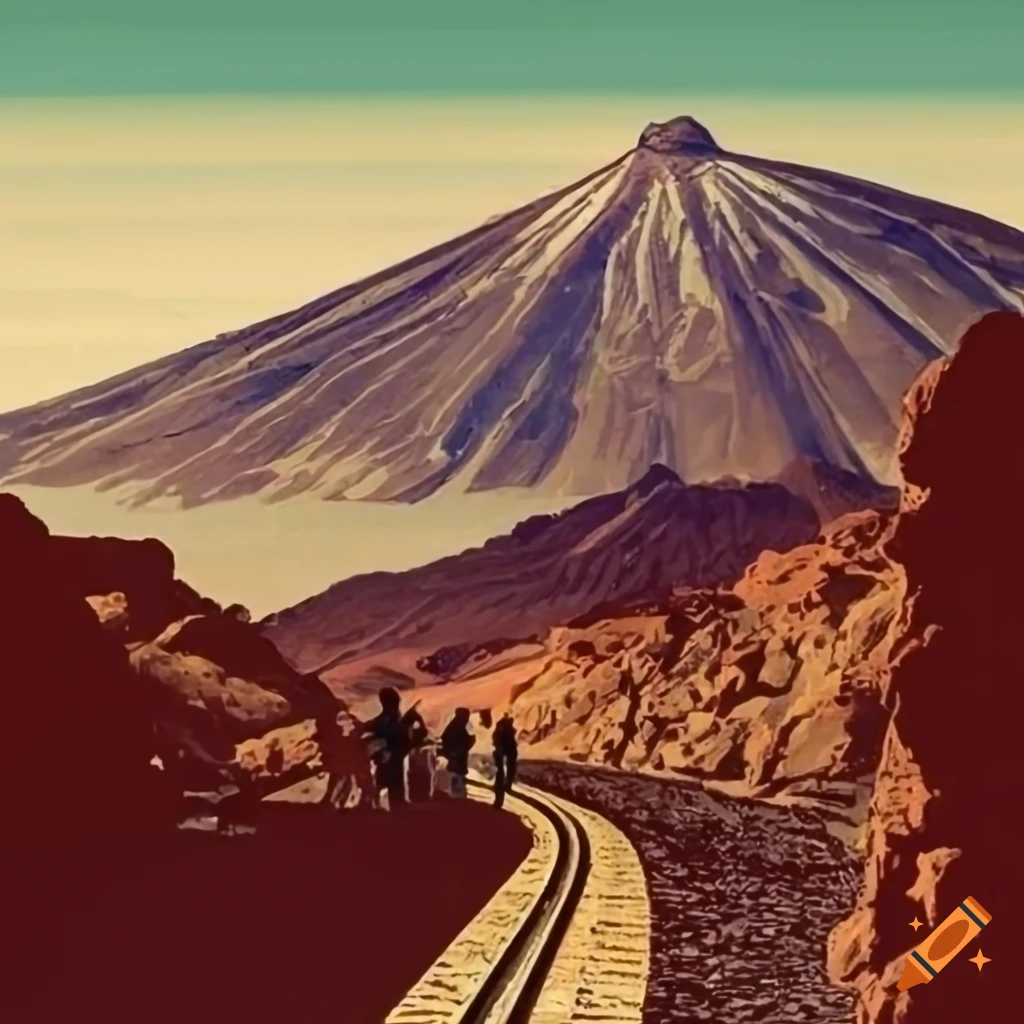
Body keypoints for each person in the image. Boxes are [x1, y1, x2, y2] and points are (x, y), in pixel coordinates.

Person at [362, 687, 409, 810]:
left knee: (392, 789)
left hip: (391, 759)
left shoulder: (393, 720)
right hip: (386, 759)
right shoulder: (387, 720)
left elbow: (403, 743)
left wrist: (390, 752)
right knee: (385, 787)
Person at [440, 707, 475, 798]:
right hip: (461, 755)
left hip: (452, 756)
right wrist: (466, 748)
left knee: (455, 774)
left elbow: (444, 737)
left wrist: (448, 751)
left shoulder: (452, 724)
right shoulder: (467, 725)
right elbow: (472, 739)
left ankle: (454, 793)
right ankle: (461, 793)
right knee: (460, 774)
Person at [492, 713, 518, 810]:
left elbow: (495, 738)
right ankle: (504, 788)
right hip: (506, 750)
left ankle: (502, 791)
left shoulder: (502, 727)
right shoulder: (505, 728)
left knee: (501, 772)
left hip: (504, 750)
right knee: (503, 771)